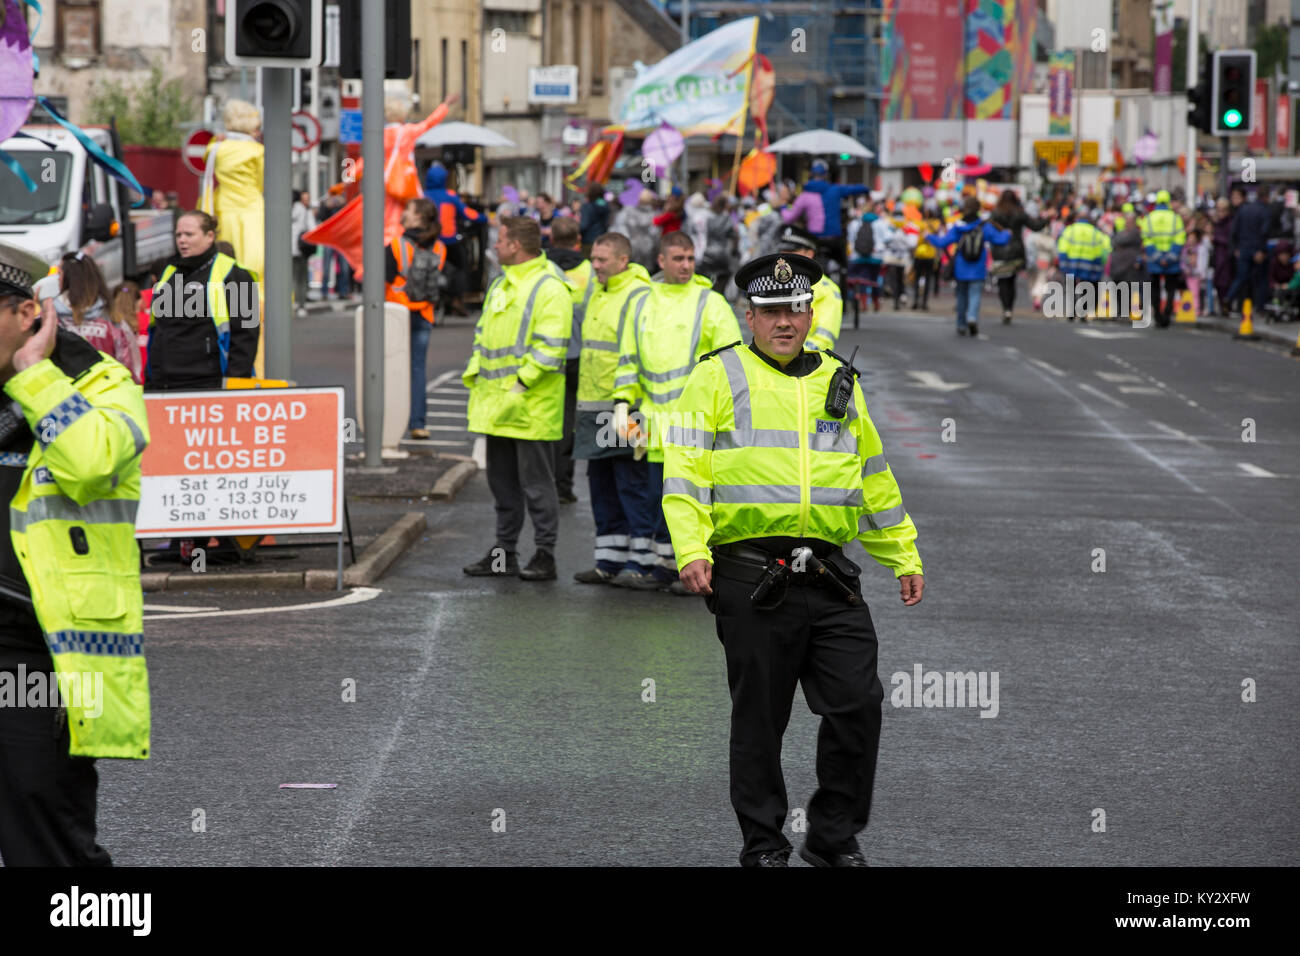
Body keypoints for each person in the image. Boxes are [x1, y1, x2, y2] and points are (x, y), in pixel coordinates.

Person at [662, 250, 925, 867]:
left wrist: (903, 554)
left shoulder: (840, 378)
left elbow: (873, 477)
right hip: (752, 574)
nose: (786, 320)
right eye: (772, 310)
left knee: (858, 704)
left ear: (811, 314)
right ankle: (764, 844)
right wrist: (691, 549)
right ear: (748, 316)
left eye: (796, 309)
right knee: (761, 719)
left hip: (831, 576)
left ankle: (833, 836)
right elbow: (685, 472)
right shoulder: (714, 376)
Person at [0, 239, 152, 865]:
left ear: (27, 312)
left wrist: (33, 375)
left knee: (43, 834)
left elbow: (91, 462)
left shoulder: (100, 382)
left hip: (34, 648)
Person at [611, 230, 742, 592]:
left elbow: (731, 363)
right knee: (658, 500)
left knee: (694, 500)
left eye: (690, 259)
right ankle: (664, 567)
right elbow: (628, 359)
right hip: (652, 425)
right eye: (679, 259)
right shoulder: (641, 302)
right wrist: (622, 404)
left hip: (695, 425)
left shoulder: (709, 302)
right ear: (662, 261)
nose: (686, 265)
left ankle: (690, 570)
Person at [462, 217, 571, 581]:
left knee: (538, 487)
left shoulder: (549, 286)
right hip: (498, 405)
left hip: (530, 408)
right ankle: (503, 555)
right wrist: (477, 370)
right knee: (503, 487)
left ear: (516, 246)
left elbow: (551, 347)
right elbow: (483, 335)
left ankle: (545, 555)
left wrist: (519, 387)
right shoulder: (500, 285)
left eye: (500, 240)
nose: (495, 246)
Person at [569, 232, 657, 588]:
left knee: (632, 485)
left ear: (624, 260)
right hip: (595, 408)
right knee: (601, 485)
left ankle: (641, 562)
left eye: (602, 259)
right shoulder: (598, 290)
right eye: (593, 258)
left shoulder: (638, 294)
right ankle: (609, 561)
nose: (595, 265)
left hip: (625, 407)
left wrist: (629, 407)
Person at [147, 211, 260, 390]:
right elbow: (158, 332)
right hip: (165, 384)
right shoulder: (169, 273)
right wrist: (151, 381)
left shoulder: (236, 274)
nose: (182, 240)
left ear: (209, 236)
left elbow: (247, 336)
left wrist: (234, 385)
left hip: (210, 384)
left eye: (189, 234)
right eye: (178, 235)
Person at [385, 197, 447, 441]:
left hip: (397, 314)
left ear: (418, 216)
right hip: (424, 313)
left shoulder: (396, 246)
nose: (404, 214)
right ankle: (418, 424)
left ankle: (390, 422)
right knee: (417, 369)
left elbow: (384, 279)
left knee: (391, 369)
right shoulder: (440, 248)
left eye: (408, 210)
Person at [545, 217, 595, 505]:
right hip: (580, 357)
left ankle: (544, 484)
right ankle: (564, 486)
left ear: (551, 239)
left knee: (545, 420)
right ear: (578, 241)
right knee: (570, 424)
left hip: (548, 356)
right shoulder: (590, 271)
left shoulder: (544, 270)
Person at [924, 197, 1012, 336]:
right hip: (978, 268)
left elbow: (942, 242)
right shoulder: (984, 226)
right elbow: (999, 240)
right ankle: (972, 317)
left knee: (961, 297)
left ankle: (961, 323)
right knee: (975, 295)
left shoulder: (958, 227)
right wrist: (1007, 233)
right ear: (978, 209)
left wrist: (928, 237)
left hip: (961, 267)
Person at [200, 99, 265, 281]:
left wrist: (216, 139)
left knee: (224, 259)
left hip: (224, 209)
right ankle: (256, 304)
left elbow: (207, 161)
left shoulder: (216, 148)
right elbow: (262, 183)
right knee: (255, 263)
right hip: (252, 209)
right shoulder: (257, 151)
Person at [50, 252, 141, 384]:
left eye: (59, 274)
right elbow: (129, 367)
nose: (57, 279)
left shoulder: (51, 318)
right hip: (106, 394)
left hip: (66, 397)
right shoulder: (112, 319)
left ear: (68, 277)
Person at [796, 159, 870, 281]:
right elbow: (858, 188)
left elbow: (792, 215)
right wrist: (865, 190)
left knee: (807, 267)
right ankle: (844, 294)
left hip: (814, 238)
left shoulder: (806, 192)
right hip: (834, 238)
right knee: (844, 268)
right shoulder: (835, 189)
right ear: (825, 175)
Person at [424, 160, 481, 316]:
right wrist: (484, 217)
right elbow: (469, 214)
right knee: (461, 268)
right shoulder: (450, 196)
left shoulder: (423, 195)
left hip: (430, 241)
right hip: (450, 240)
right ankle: (457, 299)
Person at [774, 224, 842, 351]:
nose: (784, 256)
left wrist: (792, 356)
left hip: (809, 361)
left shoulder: (827, 290)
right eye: (782, 251)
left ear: (809, 253)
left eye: (791, 251)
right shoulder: (772, 282)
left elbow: (823, 339)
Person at [989, 189, 1050, 324]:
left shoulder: (996, 213)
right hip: (1016, 250)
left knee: (1002, 281)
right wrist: (1046, 218)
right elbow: (1035, 226)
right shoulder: (1019, 213)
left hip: (999, 250)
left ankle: (1005, 308)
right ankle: (1010, 308)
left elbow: (989, 229)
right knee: (1011, 280)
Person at [1053, 207, 1111, 323]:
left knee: (1071, 288)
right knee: (1087, 288)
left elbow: (1062, 247)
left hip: (1071, 264)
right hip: (1090, 265)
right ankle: (1083, 314)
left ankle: (1071, 312)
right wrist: (1100, 264)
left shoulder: (1070, 230)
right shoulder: (1095, 232)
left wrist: (1062, 263)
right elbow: (1104, 249)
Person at [1139, 190, 1186, 328]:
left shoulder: (1149, 218)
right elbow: (1180, 238)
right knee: (1171, 288)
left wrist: (1156, 256)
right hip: (1172, 259)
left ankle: (1158, 316)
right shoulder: (1175, 218)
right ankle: (1167, 313)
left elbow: (1146, 238)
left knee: (1155, 289)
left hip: (1154, 259)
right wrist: (1171, 256)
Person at [1226, 189, 1273, 315]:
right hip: (1257, 249)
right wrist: (1261, 250)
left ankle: (1228, 298)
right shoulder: (1264, 211)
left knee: (1241, 277)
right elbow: (1264, 232)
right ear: (1266, 197)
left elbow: (1234, 230)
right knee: (1261, 279)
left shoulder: (1243, 210)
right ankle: (1260, 306)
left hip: (1243, 248)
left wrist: (1235, 248)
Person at [316, 184, 353, 299]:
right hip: (329, 240)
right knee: (326, 267)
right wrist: (327, 207)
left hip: (341, 240)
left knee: (344, 268)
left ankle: (343, 291)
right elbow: (320, 218)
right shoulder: (326, 205)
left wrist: (343, 205)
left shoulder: (344, 205)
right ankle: (324, 292)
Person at [699, 194, 739, 294]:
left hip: (706, 253)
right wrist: (735, 251)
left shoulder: (706, 216)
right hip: (722, 255)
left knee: (706, 281)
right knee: (723, 278)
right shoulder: (727, 218)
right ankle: (717, 295)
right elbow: (734, 236)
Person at [291, 190, 315, 317]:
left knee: (294, 277)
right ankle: (300, 304)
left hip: (291, 249)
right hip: (300, 249)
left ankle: (295, 303)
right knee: (301, 279)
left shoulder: (292, 209)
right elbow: (312, 229)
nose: (307, 201)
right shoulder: (304, 211)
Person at [579, 183, 611, 251]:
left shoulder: (587, 207)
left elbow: (584, 225)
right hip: (602, 240)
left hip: (588, 241)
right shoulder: (606, 206)